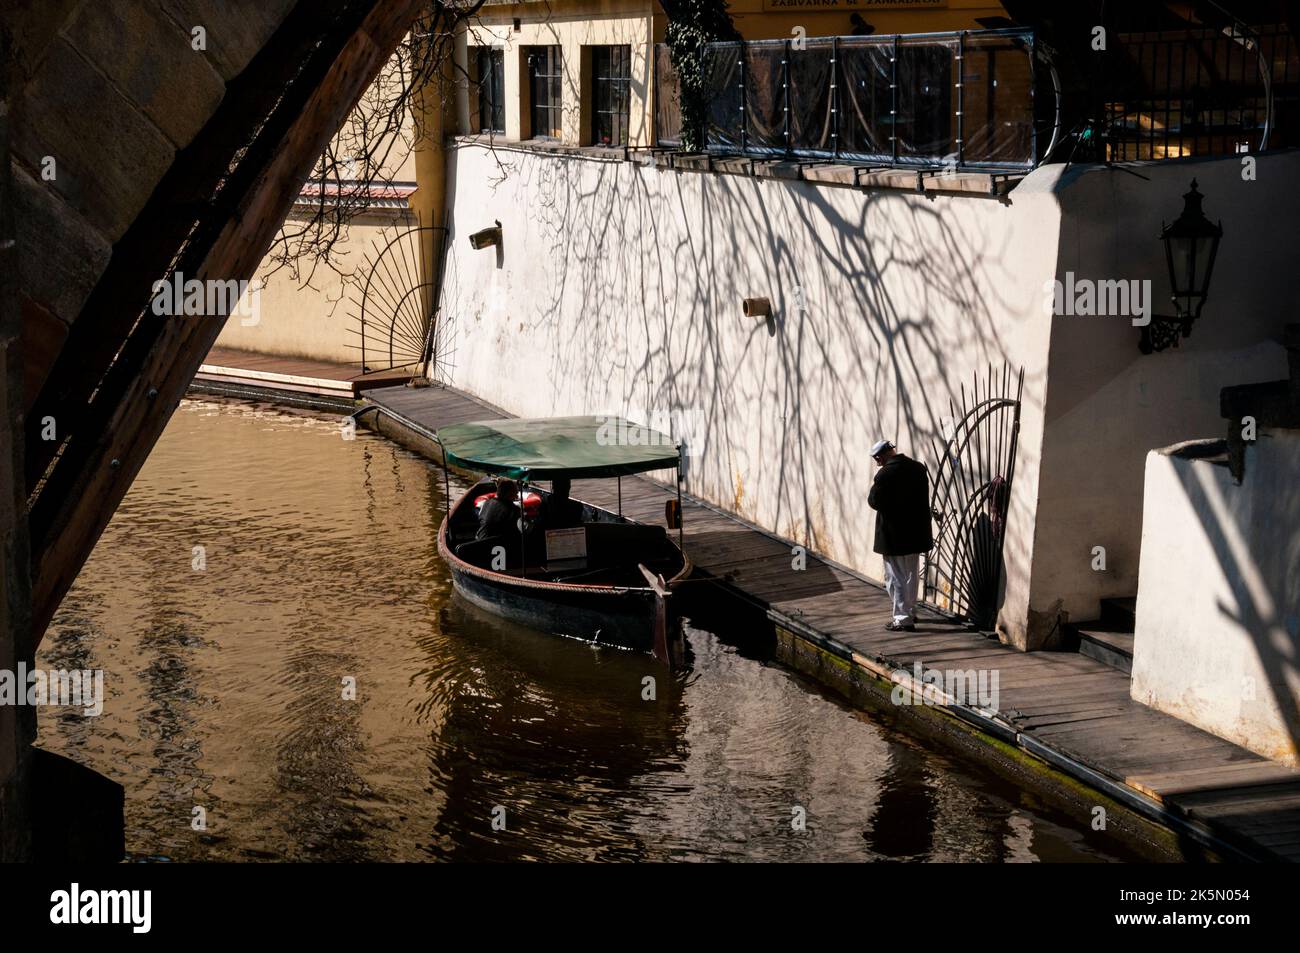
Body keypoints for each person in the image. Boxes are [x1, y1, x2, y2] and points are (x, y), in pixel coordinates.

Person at [867, 439, 934, 632]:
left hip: (893, 534)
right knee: (911, 574)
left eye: (877, 458)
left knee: (894, 576)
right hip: (915, 531)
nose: (877, 461)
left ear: (883, 455)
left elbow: (874, 501)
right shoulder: (918, 469)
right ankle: (910, 611)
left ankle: (902, 618)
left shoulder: (885, 474)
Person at [476, 478, 522, 543]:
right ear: (510, 494)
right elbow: (517, 530)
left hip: (479, 539)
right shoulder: (513, 509)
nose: (517, 496)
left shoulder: (487, 502)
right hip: (496, 544)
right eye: (516, 493)